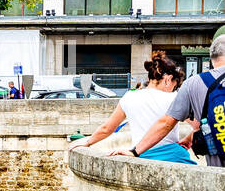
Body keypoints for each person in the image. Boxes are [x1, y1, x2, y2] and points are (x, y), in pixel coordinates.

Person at [113, 36, 225, 167]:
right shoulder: (174, 94)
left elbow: (166, 123)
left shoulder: (194, 83)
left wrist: (134, 152)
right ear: (167, 79)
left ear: (211, 57)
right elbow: (197, 125)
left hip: (218, 169)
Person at [69, 52, 192, 163]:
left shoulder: (129, 97)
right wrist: (189, 138)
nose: (173, 89)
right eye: (174, 86)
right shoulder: (174, 97)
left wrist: (87, 142)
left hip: (142, 156)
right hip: (174, 157)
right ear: (168, 80)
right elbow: (198, 125)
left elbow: (107, 128)